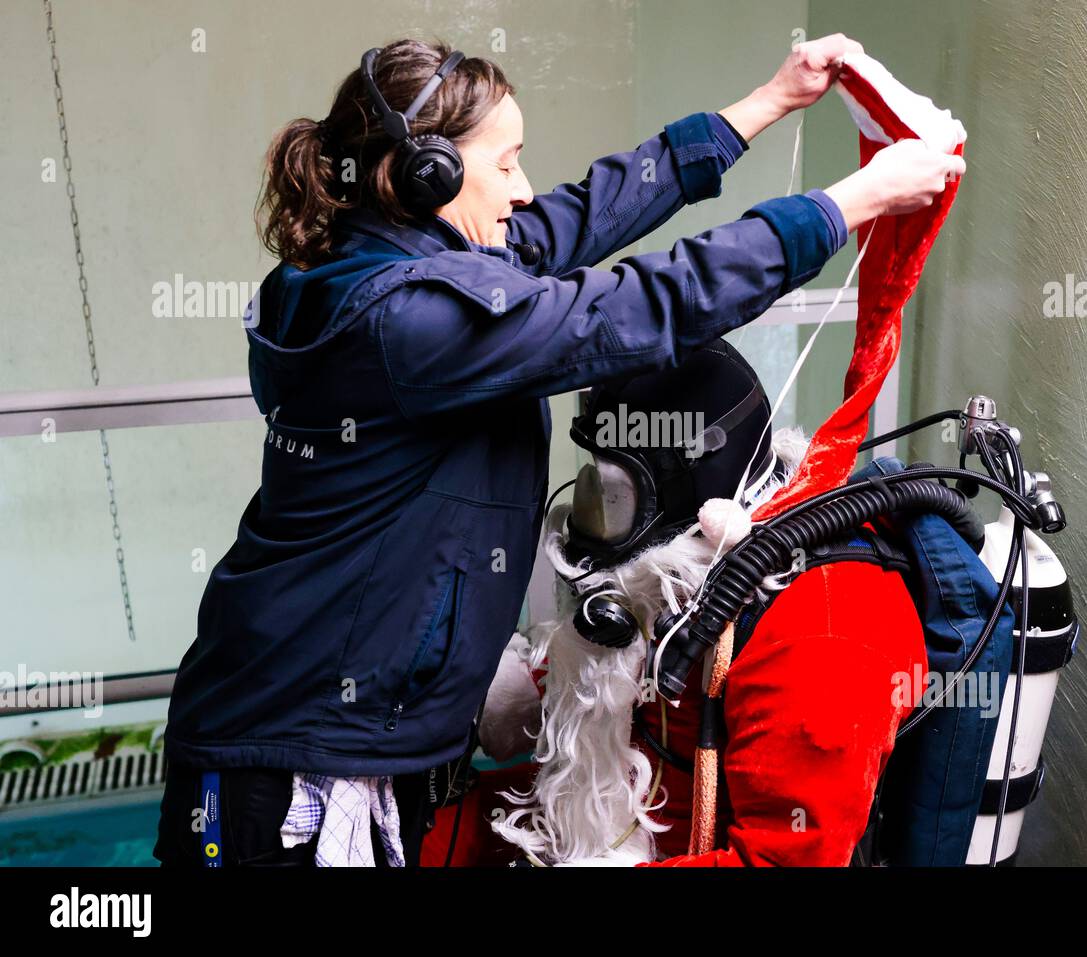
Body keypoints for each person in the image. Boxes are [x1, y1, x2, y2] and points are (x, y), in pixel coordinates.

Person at [153, 34, 965, 867]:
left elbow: (575, 215)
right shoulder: (409, 323)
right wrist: (847, 205)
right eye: (504, 165)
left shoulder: (370, 262)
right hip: (292, 770)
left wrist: (766, 104)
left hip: (311, 728)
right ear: (426, 174)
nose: (523, 189)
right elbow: (640, 307)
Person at [429, 341, 921, 866]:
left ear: (693, 487)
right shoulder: (677, 569)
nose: (592, 508)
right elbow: (617, 685)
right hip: (628, 826)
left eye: (614, 491)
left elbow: (785, 859)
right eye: (593, 475)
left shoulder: (822, 630)